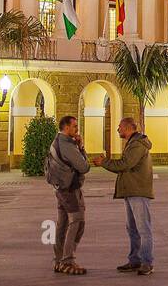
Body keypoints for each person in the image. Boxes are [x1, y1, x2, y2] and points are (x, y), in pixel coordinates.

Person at [99, 117, 155, 276]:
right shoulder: (132, 144)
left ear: (129, 128)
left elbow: (124, 164)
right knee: (132, 228)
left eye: (120, 127)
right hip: (131, 190)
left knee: (143, 228)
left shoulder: (137, 145)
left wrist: (104, 162)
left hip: (138, 191)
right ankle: (134, 260)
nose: (118, 130)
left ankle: (147, 262)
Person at [45, 115, 91, 276]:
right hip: (69, 189)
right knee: (78, 221)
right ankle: (68, 260)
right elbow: (84, 167)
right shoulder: (66, 144)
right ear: (65, 127)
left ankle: (59, 260)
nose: (77, 129)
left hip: (60, 188)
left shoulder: (57, 141)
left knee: (63, 223)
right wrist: (82, 148)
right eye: (74, 126)